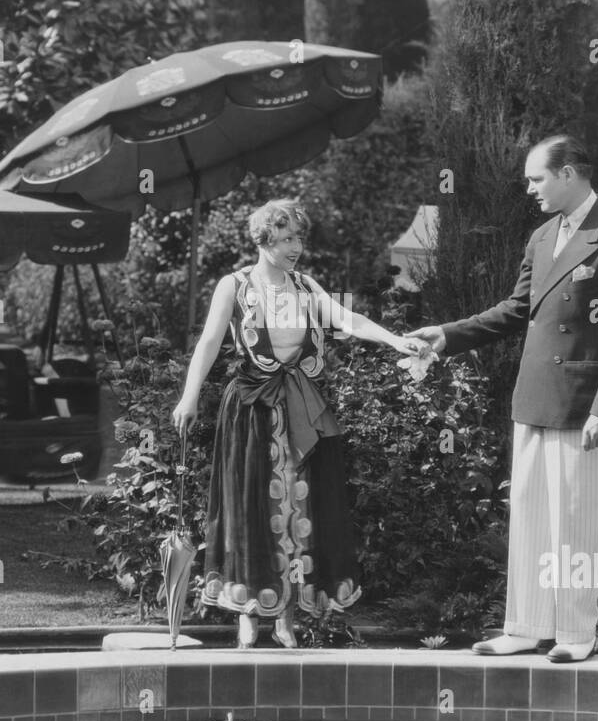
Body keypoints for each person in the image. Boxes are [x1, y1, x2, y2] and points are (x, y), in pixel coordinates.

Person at [408, 135, 598, 663]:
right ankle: (524, 626)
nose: (530, 188)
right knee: (530, 518)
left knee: (577, 522)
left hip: (584, 405)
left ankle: (575, 634)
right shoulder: (542, 237)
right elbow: (516, 309)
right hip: (534, 399)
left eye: (537, 178)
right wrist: (447, 335)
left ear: (568, 174)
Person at [173, 198, 428, 648]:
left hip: (302, 410)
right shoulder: (234, 286)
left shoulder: (305, 286)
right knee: (252, 509)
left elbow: (347, 319)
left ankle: (286, 618)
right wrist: (189, 397)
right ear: (263, 239)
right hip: (252, 412)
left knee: (300, 508)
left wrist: (395, 341)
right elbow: (210, 342)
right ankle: (249, 614)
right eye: (286, 237)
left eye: (299, 238)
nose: (296, 247)